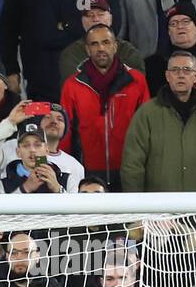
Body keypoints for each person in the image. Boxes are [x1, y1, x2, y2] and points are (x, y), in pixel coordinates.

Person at [120, 48, 196, 193]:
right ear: (167, 76)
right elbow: (132, 166)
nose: (181, 75)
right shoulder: (146, 114)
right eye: (175, 70)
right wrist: (137, 207)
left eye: (187, 70)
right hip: (158, 210)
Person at [60, 25, 150, 190]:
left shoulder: (137, 81)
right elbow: (65, 132)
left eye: (106, 42)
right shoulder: (72, 85)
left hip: (129, 170)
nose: (101, 48)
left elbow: (146, 129)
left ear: (115, 46)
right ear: (87, 49)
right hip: (87, 173)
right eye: (94, 44)